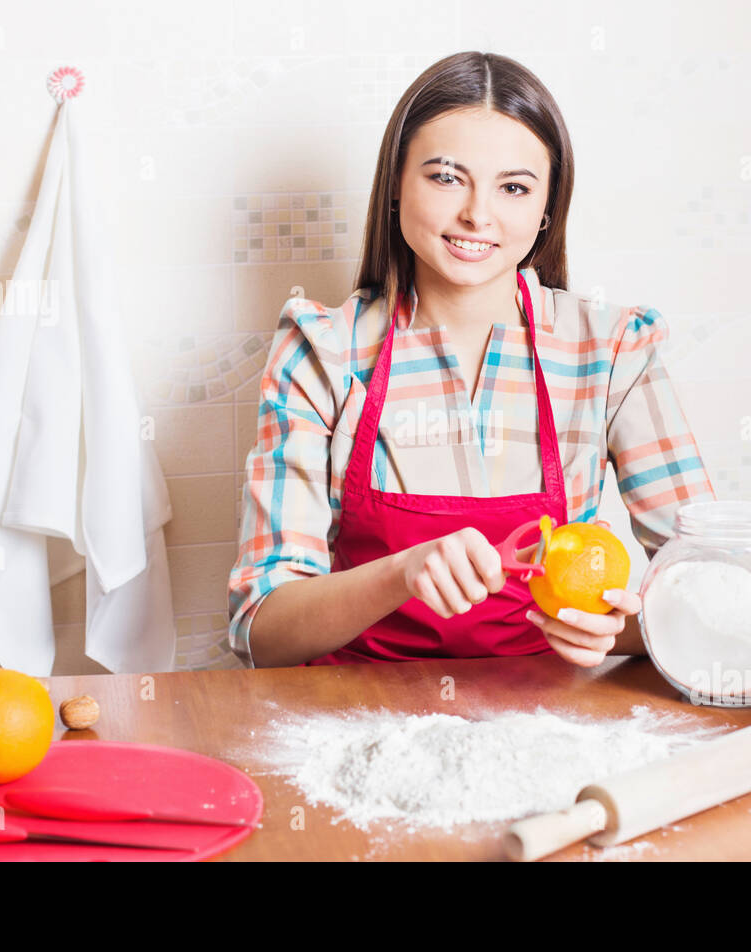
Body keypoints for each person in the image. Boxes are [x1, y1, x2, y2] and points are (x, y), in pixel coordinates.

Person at [229, 51, 715, 669]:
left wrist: (622, 628)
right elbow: (260, 630)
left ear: (546, 209)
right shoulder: (323, 353)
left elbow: (707, 589)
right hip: (350, 713)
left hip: (550, 723)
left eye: (513, 188)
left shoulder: (611, 349)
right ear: (395, 188)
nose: (477, 215)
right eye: (446, 177)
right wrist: (400, 573)